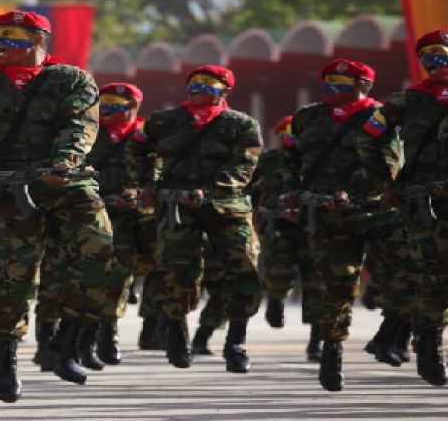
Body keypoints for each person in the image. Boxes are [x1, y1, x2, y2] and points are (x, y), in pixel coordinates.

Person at [0, 10, 113, 402]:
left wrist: (64, 162)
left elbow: (81, 125)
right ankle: (3, 356)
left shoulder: (71, 79)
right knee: (14, 273)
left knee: (98, 250)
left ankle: (66, 343)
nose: (0, 42)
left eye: (11, 35)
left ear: (38, 40)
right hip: (7, 187)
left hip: (64, 183)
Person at [280, 59, 415, 391]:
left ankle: (390, 336)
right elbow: (289, 157)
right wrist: (290, 189)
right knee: (337, 287)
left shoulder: (380, 116)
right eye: (328, 82)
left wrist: (351, 190)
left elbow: (385, 162)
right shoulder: (306, 117)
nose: (332, 89)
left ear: (364, 86)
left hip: (377, 211)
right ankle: (332, 353)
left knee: (407, 276)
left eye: (341, 83)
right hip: (328, 215)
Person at [125, 64, 262, 374]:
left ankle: (236, 343)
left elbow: (243, 166)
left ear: (225, 91)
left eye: (208, 84)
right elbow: (137, 146)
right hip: (178, 207)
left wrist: (211, 191)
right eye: (194, 83)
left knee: (244, 269)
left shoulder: (242, 125)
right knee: (178, 271)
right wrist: (147, 182)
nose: (199, 88)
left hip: (227, 208)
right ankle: (176, 337)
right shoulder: (165, 120)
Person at [359, 28, 448, 386]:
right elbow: (369, 141)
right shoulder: (407, 101)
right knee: (442, 278)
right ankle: (430, 345)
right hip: (428, 202)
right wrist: (386, 182)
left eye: (442, 54)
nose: (435, 63)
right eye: (428, 57)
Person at [89, 83, 156, 367]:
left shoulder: (148, 136)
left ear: (133, 107)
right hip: (101, 213)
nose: (107, 108)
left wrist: (139, 194)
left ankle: (157, 328)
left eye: (116, 102)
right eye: (104, 101)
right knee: (115, 273)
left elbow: (159, 172)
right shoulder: (89, 134)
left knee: (162, 268)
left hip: (142, 216)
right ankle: (107, 335)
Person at [248, 115, 321, 361]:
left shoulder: (316, 159)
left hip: (313, 226)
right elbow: (250, 188)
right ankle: (276, 300)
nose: (289, 140)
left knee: (317, 283)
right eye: (284, 136)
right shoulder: (268, 160)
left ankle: (317, 341)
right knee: (277, 269)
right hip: (278, 223)